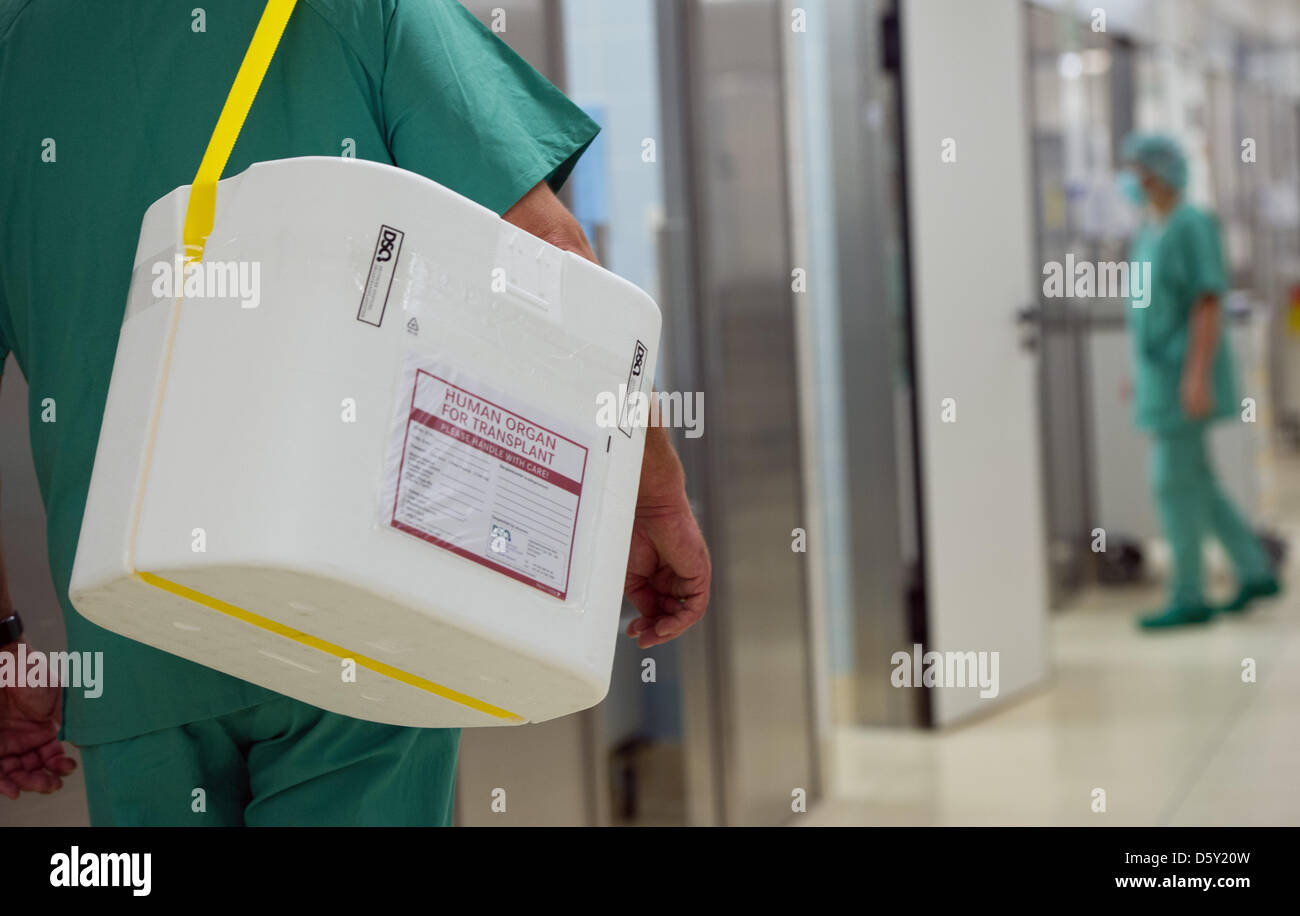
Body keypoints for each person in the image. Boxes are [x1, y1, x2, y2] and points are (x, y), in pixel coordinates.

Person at [0, 0, 710, 823]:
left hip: (136, 629)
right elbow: (551, 261)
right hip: (359, 611)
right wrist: (649, 489)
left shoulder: (17, 40)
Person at [1117, 132, 1279, 630]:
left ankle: (1188, 593)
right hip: (1157, 374)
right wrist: (1135, 371)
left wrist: (1196, 376)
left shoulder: (1192, 225)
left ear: (1163, 174)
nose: (1135, 182)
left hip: (1184, 373)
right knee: (1198, 482)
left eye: (1142, 172)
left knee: (1172, 484)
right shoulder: (1149, 231)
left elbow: (1207, 302)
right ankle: (1254, 568)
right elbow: (1147, 311)